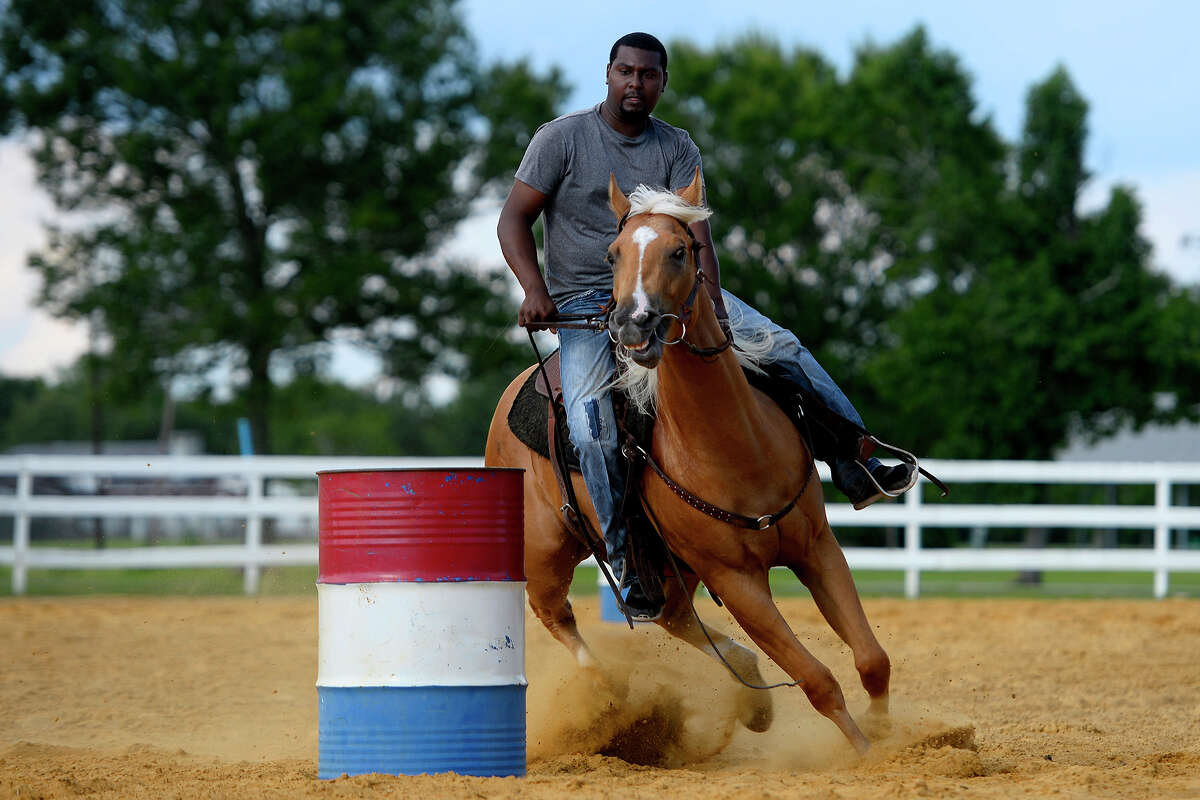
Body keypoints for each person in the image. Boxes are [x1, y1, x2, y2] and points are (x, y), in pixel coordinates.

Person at [497, 32, 916, 619]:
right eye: (626, 72)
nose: (636, 84)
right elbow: (514, 219)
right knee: (592, 425)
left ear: (662, 83)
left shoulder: (677, 147)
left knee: (784, 349)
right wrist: (534, 290)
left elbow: (698, 242)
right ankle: (626, 559)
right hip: (590, 303)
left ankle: (855, 456)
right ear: (609, 74)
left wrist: (715, 307)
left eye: (648, 75)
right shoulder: (561, 140)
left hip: (675, 287)